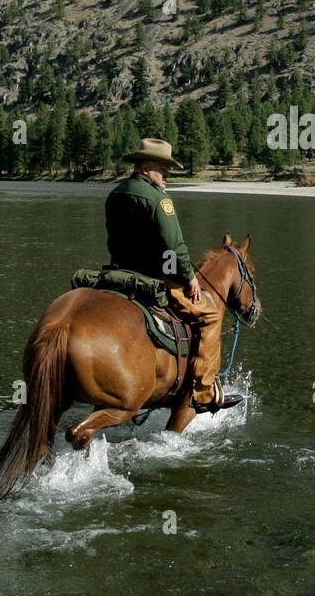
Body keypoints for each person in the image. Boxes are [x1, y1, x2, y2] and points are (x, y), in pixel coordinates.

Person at [104, 137, 242, 413]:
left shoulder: (116, 194)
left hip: (117, 274)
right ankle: (203, 390)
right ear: (144, 166)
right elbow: (174, 246)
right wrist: (190, 278)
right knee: (212, 313)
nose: (167, 175)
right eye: (162, 168)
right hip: (154, 278)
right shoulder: (159, 199)